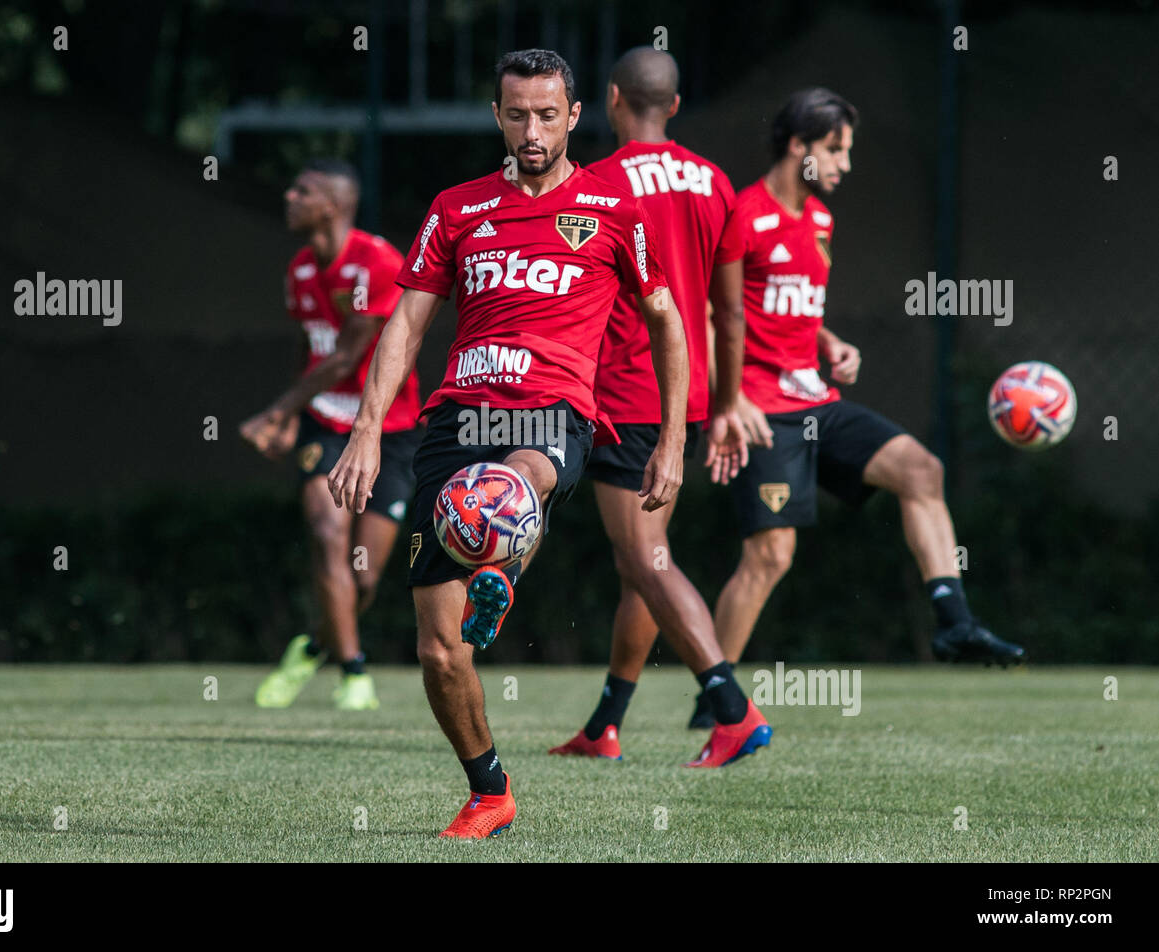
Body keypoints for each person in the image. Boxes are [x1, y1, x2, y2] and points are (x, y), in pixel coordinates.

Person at [330, 49, 731, 838]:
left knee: (516, 483)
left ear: (577, 114)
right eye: (517, 114)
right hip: (453, 420)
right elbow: (407, 323)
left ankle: (497, 562)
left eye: (547, 114)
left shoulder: (612, 208)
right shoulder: (456, 208)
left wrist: (675, 439)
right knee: (441, 652)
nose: (532, 130)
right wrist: (368, 430)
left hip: (554, 413)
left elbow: (669, 322)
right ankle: (489, 789)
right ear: (496, 115)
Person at [689, 88, 1024, 726]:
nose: (845, 164)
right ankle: (716, 705)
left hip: (817, 398)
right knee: (770, 557)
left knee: (922, 470)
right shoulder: (743, 214)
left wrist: (830, 342)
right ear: (798, 146)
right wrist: (725, 404)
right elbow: (710, 314)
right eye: (835, 149)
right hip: (764, 409)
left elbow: (789, 308)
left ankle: (954, 622)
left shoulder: (819, 220)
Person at [548, 47, 766, 765]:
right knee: (638, 563)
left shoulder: (595, 184)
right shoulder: (716, 183)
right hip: (689, 397)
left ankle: (731, 710)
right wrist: (727, 404)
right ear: (673, 106)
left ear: (611, 100)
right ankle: (605, 725)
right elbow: (731, 315)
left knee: (645, 559)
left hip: (621, 394)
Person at [241, 160, 423, 713]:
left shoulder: (376, 260)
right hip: (324, 423)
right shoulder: (299, 268)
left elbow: (347, 355)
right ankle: (354, 671)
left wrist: (273, 412)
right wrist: (296, 417)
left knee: (363, 578)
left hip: (388, 430)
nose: (290, 196)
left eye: (304, 190)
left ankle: (314, 645)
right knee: (326, 535)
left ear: (335, 204)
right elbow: (310, 350)